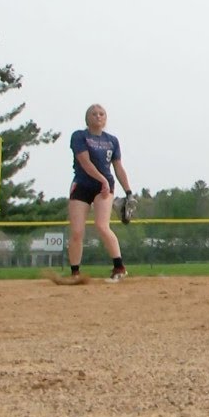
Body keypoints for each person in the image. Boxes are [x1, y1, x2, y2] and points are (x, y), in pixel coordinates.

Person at [67, 104, 134, 283]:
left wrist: (128, 191)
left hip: (104, 188)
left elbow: (118, 167)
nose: (98, 116)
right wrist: (102, 179)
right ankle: (75, 273)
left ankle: (119, 267)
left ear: (106, 118)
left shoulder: (112, 140)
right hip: (82, 184)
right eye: (94, 114)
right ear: (87, 118)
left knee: (102, 225)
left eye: (101, 114)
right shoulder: (79, 136)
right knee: (77, 231)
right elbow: (85, 162)